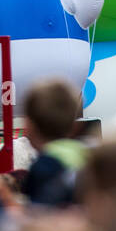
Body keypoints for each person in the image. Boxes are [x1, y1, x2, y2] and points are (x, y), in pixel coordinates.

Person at [20, 79, 87, 207]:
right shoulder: (85, 155)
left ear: (28, 125)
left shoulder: (44, 167)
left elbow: (37, 213)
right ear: (75, 126)